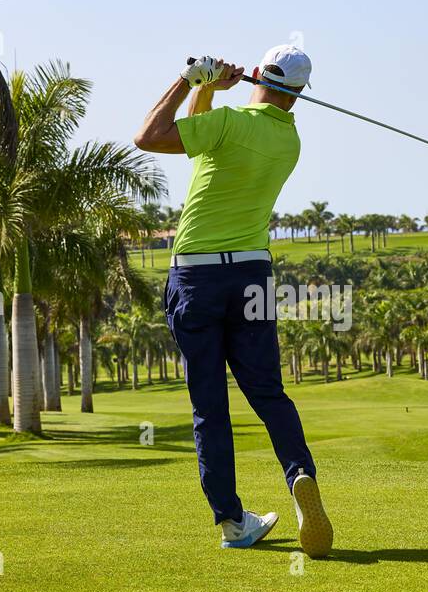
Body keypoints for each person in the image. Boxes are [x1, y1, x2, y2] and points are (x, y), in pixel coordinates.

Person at [134, 46, 333, 557]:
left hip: (198, 279)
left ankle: (231, 520)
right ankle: (300, 474)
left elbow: (150, 137)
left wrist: (186, 79)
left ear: (259, 74)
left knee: (210, 406)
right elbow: (203, 144)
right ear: (300, 92)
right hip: (252, 276)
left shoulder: (229, 122)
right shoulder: (287, 139)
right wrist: (210, 89)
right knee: (268, 393)